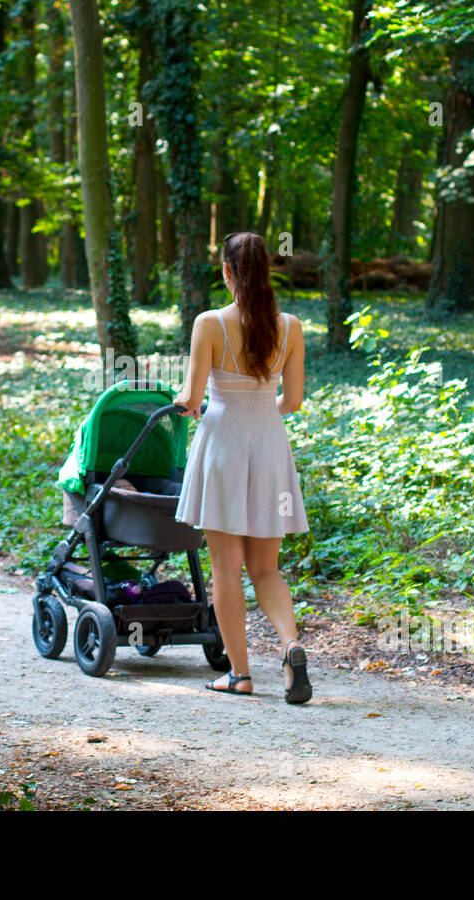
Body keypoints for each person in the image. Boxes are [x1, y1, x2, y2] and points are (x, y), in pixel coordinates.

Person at [173, 232, 312, 704]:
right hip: (270, 446)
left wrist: (184, 401)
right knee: (266, 569)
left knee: (226, 569)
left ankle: (240, 674)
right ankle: (292, 647)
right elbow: (291, 401)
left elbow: (192, 398)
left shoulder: (209, 324)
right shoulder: (290, 327)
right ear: (266, 270)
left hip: (223, 446)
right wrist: (260, 404)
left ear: (228, 272)